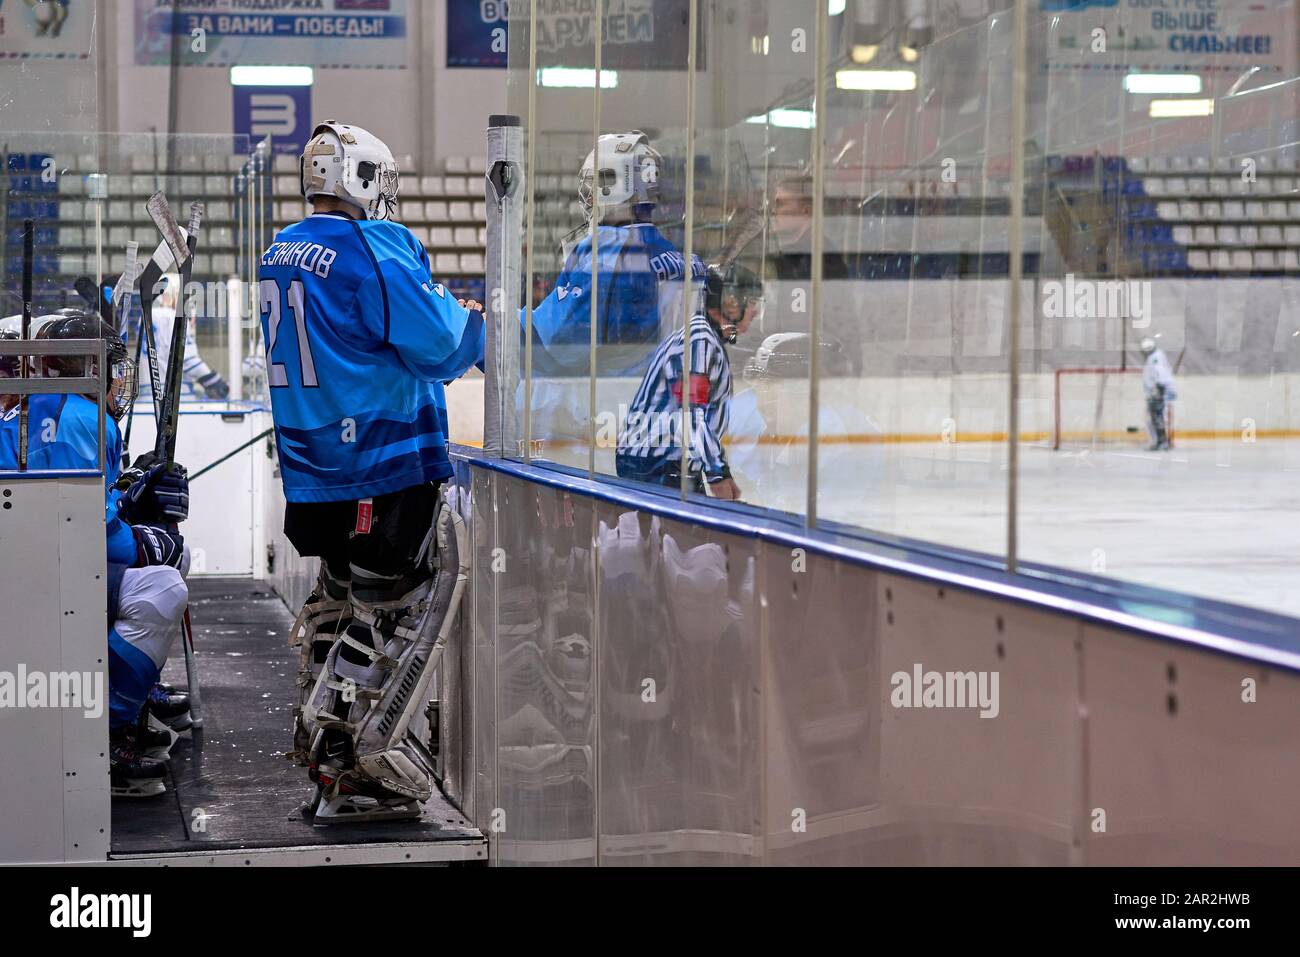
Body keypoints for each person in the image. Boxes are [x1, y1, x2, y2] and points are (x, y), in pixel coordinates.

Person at [260, 120, 482, 824]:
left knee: (337, 596)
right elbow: (442, 344)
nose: (388, 194)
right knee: (396, 607)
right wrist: (472, 322)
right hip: (379, 469)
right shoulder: (370, 246)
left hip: (311, 475)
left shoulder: (278, 249)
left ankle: (319, 735)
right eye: (382, 180)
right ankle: (357, 750)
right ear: (361, 180)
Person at [0, 310, 192, 797]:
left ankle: (126, 700)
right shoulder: (81, 418)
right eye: (109, 365)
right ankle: (99, 732)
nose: (118, 378)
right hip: (39, 581)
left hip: (29, 567)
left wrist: (128, 497)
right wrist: (145, 537)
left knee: (166, 568)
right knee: (164, 584)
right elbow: (84, 533)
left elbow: (74, 512)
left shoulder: (39, 410)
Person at [531, 131, 707, 377]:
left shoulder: (607, 250)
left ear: (619, 185)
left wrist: (493, 327)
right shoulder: (683, 259)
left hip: (616, 404)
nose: (590, 195)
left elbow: (559, 346)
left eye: (599, 181)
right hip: (664, 402)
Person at [615, 263, 764, 500]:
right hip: (658, 469)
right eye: (754, 302)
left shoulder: (703, 337)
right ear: (731, 303)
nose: (755, 312)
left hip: (663, 467)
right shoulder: (700, 342)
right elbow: (691, 415)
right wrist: (718, 473)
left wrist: (717, 468)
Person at [1140, 336, 1176, 451]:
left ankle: (1162, 441)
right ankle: (1160, 440)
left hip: (1159, 391)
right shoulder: (1155, 356)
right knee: (1156, 417)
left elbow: (1159, 373)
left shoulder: (1155, 358)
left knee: (1158, 417)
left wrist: (1158, 389)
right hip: (1157, 390)